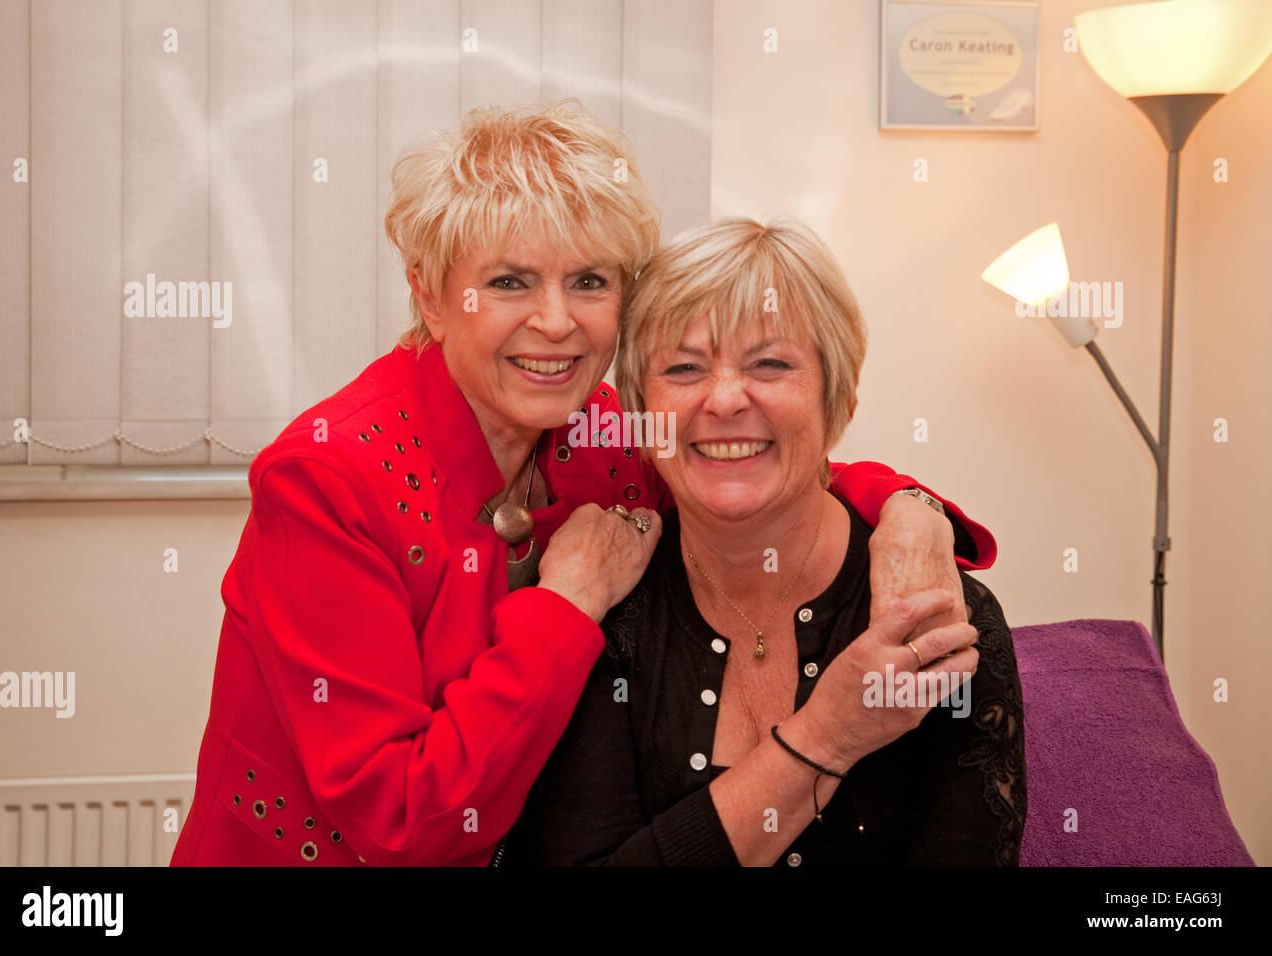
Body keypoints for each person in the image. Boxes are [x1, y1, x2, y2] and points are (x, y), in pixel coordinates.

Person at [170, 103, 997, 868]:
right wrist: (564, 608)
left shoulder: (599, 432)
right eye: (509, 282)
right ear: (428, 290)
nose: (557, 321)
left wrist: (907, 511)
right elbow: (403, 824)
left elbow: (752, 457)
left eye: (590, 282)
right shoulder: (329, 480)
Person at [509, 217, 1025, 866]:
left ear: (835, 398)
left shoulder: (938, 613)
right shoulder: (606, 614)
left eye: (771, 363)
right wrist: (828, 735)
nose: (725, 399)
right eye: (685, 367)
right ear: (640, 411)